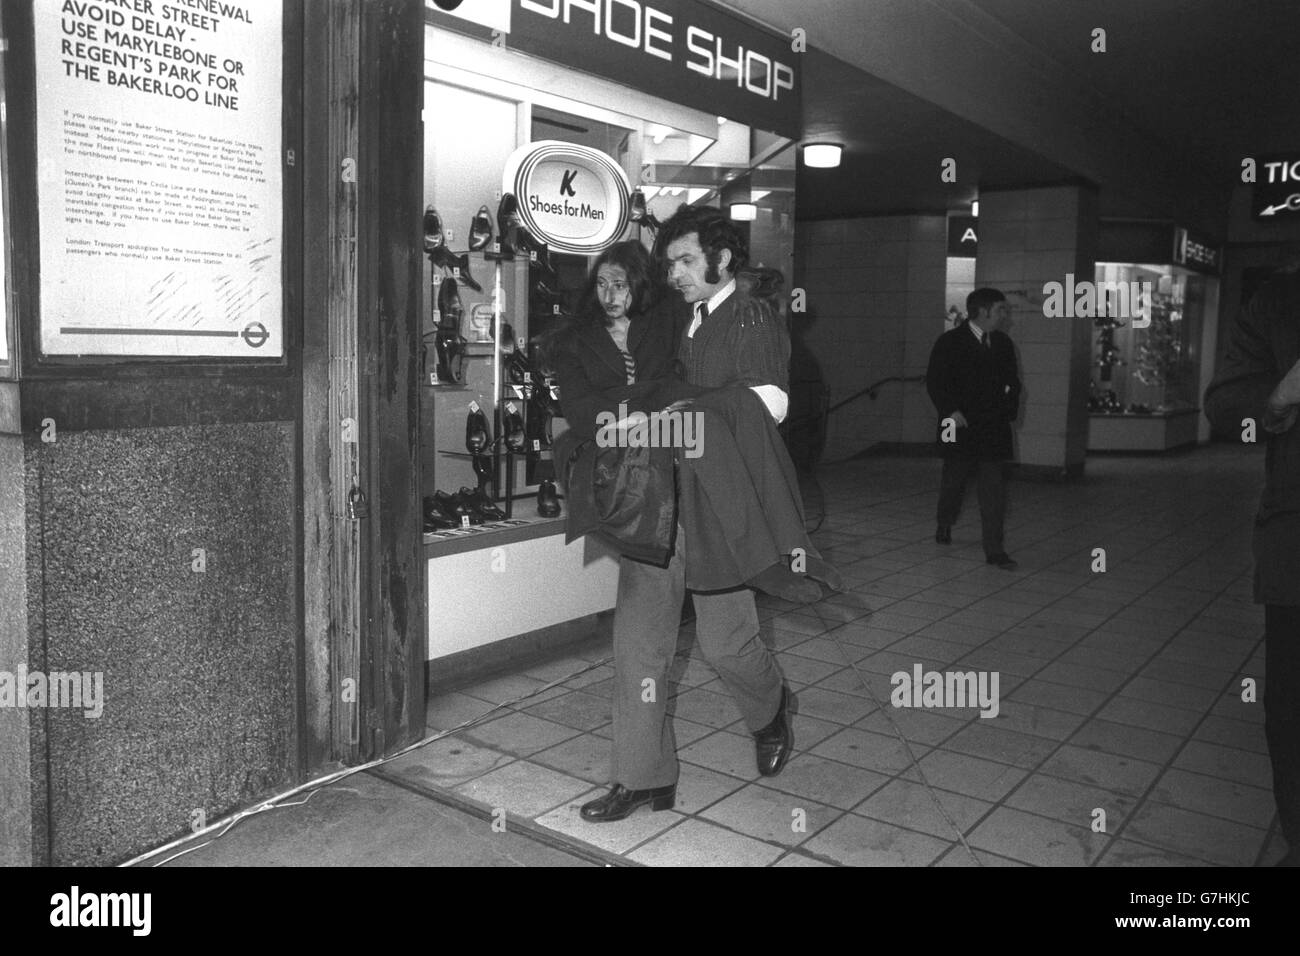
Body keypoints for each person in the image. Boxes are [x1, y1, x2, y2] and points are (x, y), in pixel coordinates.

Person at [553, 213, 798, 822]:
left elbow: (770, 404)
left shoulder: (752, 316)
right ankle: (642, 779)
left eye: (687, 261)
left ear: (722, 260)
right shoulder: (677, 319)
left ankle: (771, 709)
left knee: (726, 643)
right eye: (670, 263)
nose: (675, 273)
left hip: (721, 505)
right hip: (659, 502)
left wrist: (666, 415)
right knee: (638, 644)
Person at [1203, 262, 1300, 866]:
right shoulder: (1281, 298)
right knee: (1290, 709)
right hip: (1297, 538)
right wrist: (1281, 393)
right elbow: (1225, 407)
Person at [925, 287, 1021, 570]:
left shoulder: (1003, 344)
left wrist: (1008, 407)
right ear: (983, 311)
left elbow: (1013, 383)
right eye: (1001, 309)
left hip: (993, 427)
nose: (1005, 315)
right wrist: (951, 411)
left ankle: (994, 549)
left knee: (993, 492)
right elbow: (935, 381)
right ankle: (945, 521)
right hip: (958, 424)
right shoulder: (949, 342)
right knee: (953, 482)